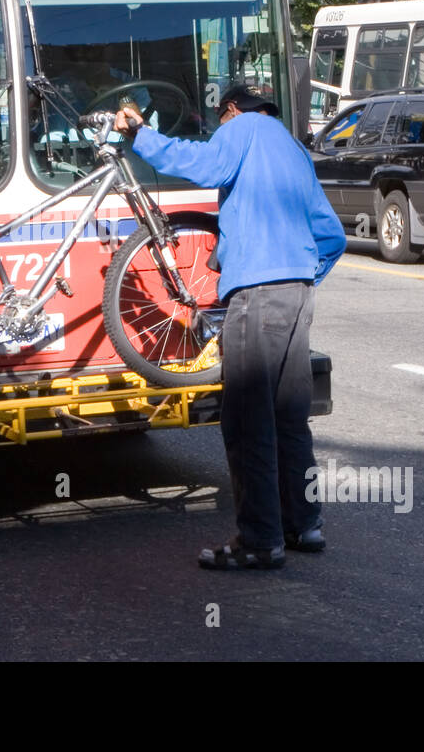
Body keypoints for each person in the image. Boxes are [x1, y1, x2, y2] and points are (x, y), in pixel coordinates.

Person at [114, 84, 346, 570]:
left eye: (221, 118)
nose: (222, 127)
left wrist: (141, 135)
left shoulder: (240, 129)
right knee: (288, 417)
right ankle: (304, 525)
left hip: (257, 296)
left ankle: (261, 541)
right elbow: (332, 235)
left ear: (233, 110)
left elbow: (204, 164)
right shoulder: (294, 148)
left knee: (247, 420)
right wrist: (299, 273)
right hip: (298, 294)